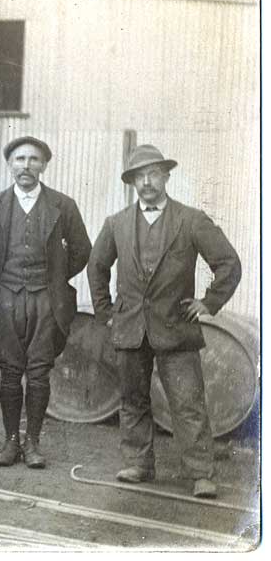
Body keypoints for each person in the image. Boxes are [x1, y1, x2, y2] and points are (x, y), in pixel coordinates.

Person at [87, 144, 241, 498]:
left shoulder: (191, 219)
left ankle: (200, 473)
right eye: (139, 176)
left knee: (188, 403)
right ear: (132, 182)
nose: (147, 182)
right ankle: (138, 463)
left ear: (167, 176)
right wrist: (105, 312)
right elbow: (97, 267)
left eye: (154, 174)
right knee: (133, 400)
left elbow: (228, 263)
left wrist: (209, 302)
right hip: (130, 329)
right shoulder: (117, 223)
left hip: (176, 328)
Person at [0, 136, 91, 469]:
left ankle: (33, 443)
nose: (26, 166)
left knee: (40, 372)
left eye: (33, 159)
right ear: (10, 164)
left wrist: (56, 279)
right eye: (19, 159)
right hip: (4, 299)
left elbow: (82, 250)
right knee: (10, 372)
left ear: (43, 165)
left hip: (47, 300)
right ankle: (11, 441)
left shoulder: (63, 205)